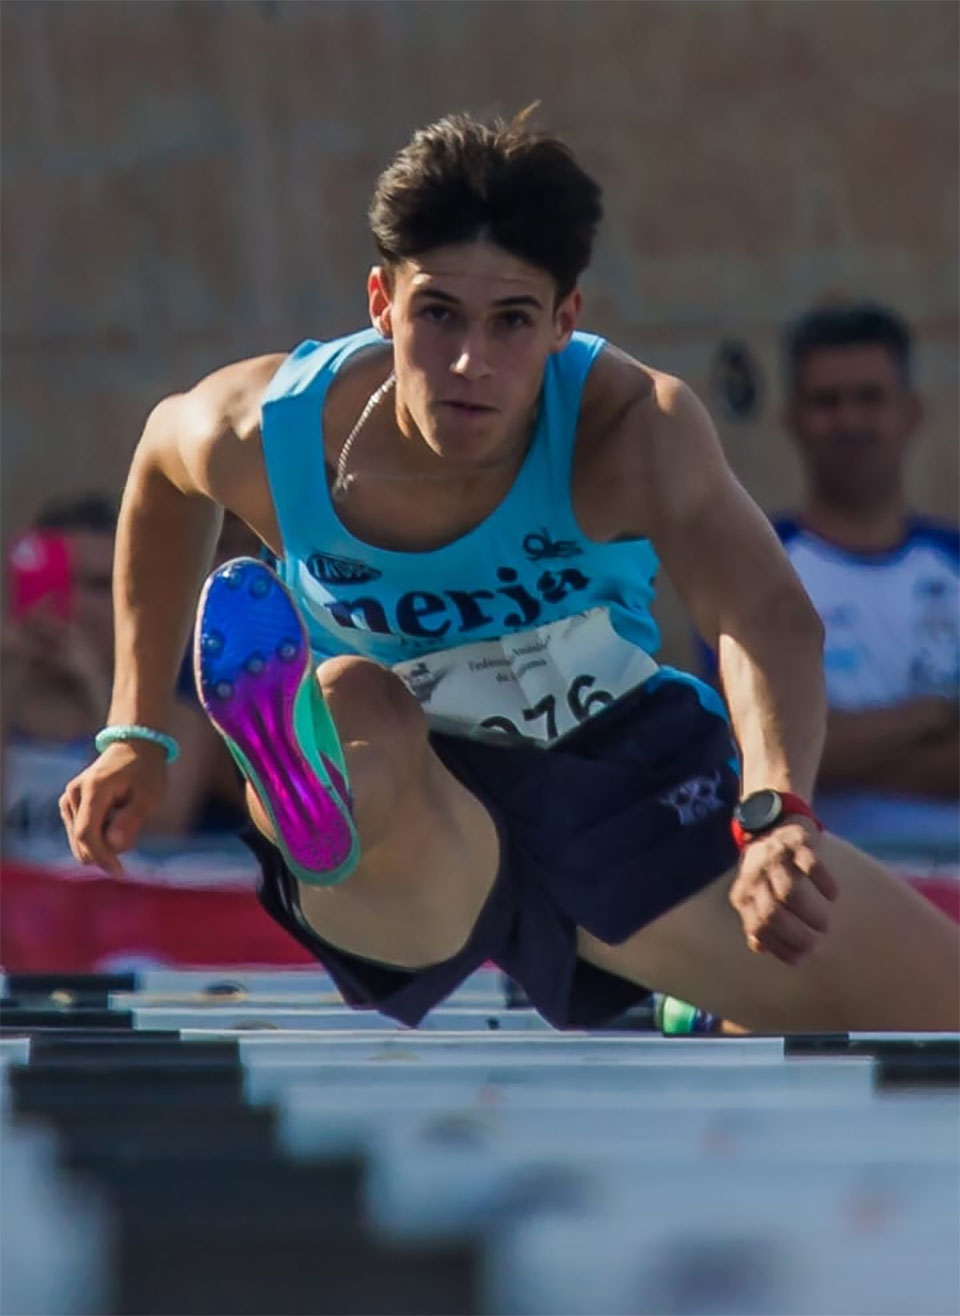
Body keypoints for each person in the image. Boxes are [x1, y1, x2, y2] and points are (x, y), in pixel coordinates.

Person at [58, 112, 958, 1032]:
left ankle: (697, 993)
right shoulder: (271, 431)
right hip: (414, 817)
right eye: (437, 314)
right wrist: (135, 729)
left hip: (622, 781)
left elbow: (763, 614)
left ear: (567, 319)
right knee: (355, 696)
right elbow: (163, 475)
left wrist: (774, 813)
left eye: (512, 323)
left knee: (942, 1007)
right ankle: (306, 796)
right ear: (381, 303)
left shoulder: (631, 426)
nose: (468, 363)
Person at [773, 303, 958, 858]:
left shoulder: (953, 560)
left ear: (911, 412)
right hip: (831, 886)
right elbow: (770, 755)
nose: (849, 421)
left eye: (870, 398)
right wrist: (939, 712)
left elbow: (810, 751)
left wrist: (839, 743)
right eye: (827, 402)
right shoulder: (759, 564)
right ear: (793, 419)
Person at [2, 494, 240, 853]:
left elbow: (143, 839)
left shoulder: (173, 723)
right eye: (59, 581)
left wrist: (98, 695)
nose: (78, 603)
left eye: (100, 586)